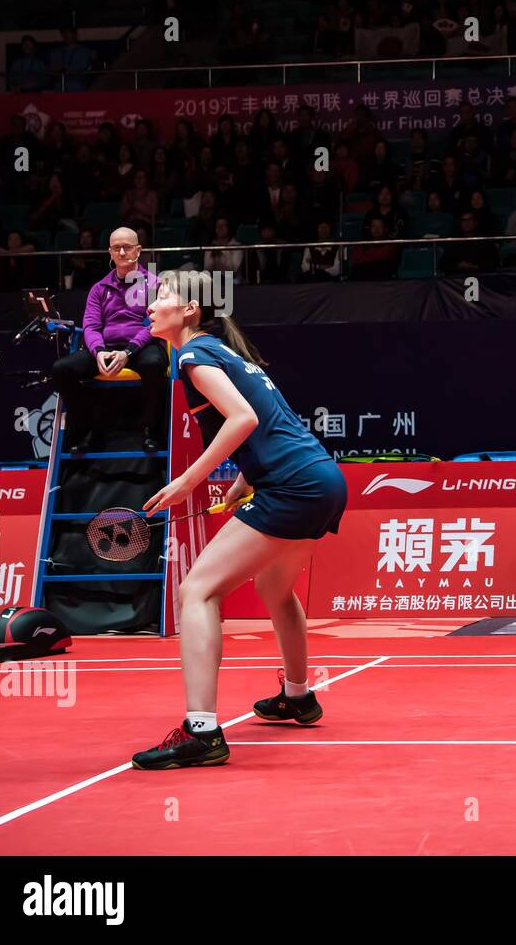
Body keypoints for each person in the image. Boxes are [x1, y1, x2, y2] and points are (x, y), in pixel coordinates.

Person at [131, 270, 347, 770]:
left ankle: (202, 732)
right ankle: (298, 695)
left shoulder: (191, 355)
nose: (151, 305)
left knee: (197, 592)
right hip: (322, 479)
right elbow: (273, 420)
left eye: (162, 297)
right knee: (276, 588)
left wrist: (187, 481)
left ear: (189, 311)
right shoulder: (227, 353)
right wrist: (247, 478)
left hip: (294, 487)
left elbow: (244, 419)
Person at [52, 226, 168, 453]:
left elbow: (155, 325)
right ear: (110, 252)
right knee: (62, 369)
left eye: (127, 247)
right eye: (117, 248)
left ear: (138, 250)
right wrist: (99, 351)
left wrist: (129, 352)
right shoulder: (99, 288)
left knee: (153, 364)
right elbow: (91, 326)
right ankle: (90, 431)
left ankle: (152, 430)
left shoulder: (155, 284)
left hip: (143, 347)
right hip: (107, 349)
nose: (122, 252)